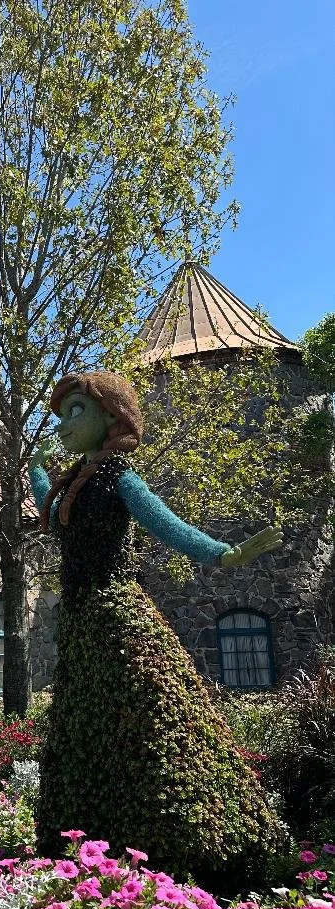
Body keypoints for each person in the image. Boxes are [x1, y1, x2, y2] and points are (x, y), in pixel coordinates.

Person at [29, 370, 284, 882]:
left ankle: (189, 839)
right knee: (84, 722)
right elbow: (51, 509)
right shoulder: (72, 482)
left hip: (115, 612)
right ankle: (83, 831)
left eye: (76, 411)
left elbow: (165, 522)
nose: (64, 425)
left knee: (147, 712)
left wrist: (223, 554)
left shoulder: (120, 477)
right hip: (79, 621)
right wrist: (35, 470)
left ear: (112, 416)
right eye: (60, 416)